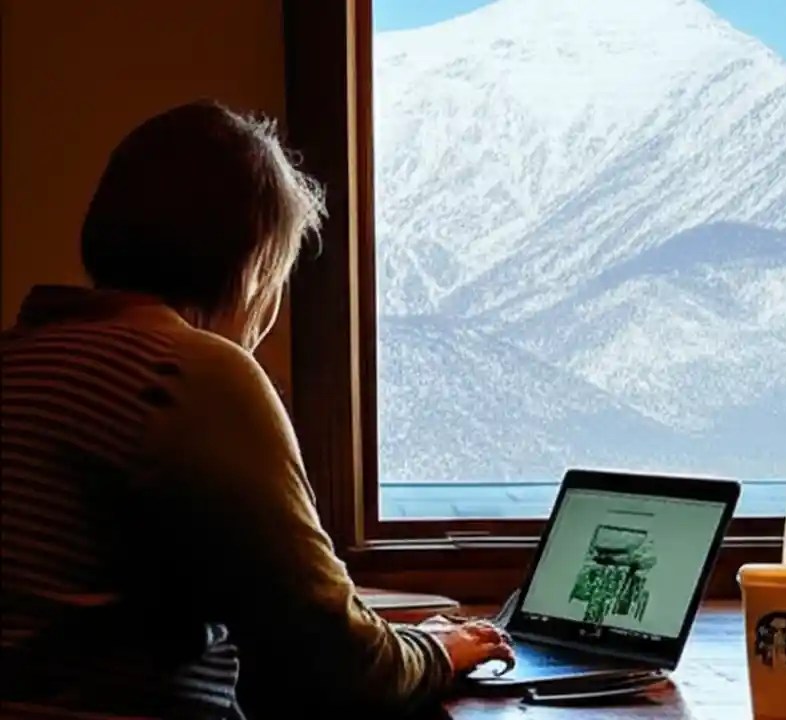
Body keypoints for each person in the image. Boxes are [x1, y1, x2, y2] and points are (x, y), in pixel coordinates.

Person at [0, 101, 514, 719]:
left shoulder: (23, 356)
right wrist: (437, 649)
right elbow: (343, 667)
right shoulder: (190, 373)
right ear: (257, 268)